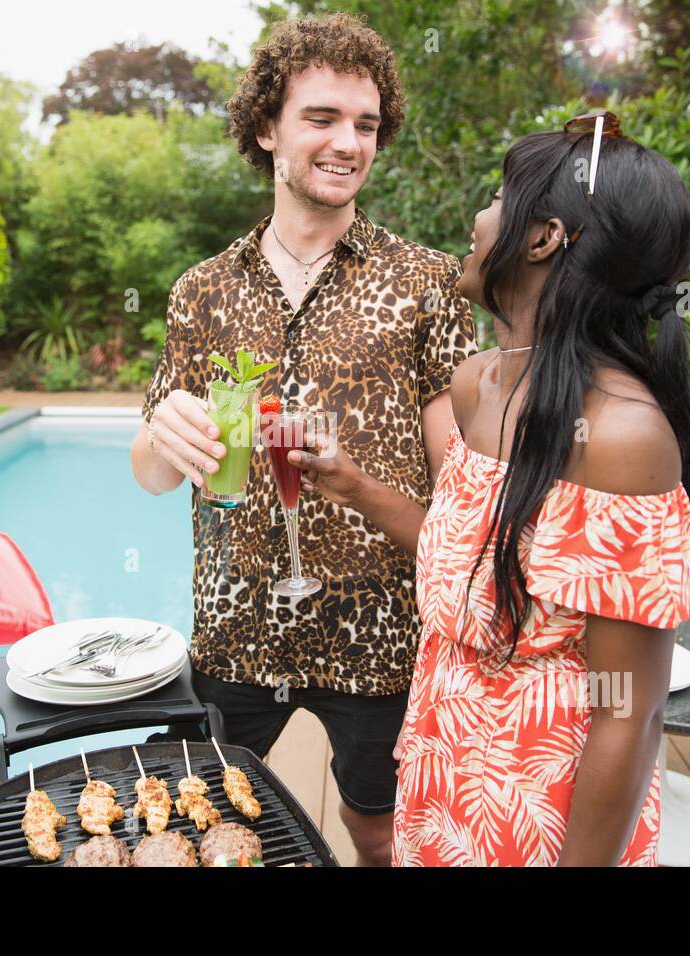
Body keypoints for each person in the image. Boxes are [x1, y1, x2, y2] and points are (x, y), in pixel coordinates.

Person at [289, 112, 690, 865]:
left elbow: (628, 714)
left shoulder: (622, 440)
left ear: (543, 237)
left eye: (496, 196)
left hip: (541, 822)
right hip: (437, 789)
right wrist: (352, 485)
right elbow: (475, 567)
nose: (480, 218)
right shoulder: (479, 382)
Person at [129, 13, 477, 866]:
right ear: (266, 128)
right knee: (214, 821)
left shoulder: (427, 282)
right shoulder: (201, 291)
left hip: (383, 628)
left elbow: (459, 492)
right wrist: (159, 436)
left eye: (365, 124)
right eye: (321, 118)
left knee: (379, 828)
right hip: (237, 620)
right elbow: (151, 476)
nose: (347, 143)